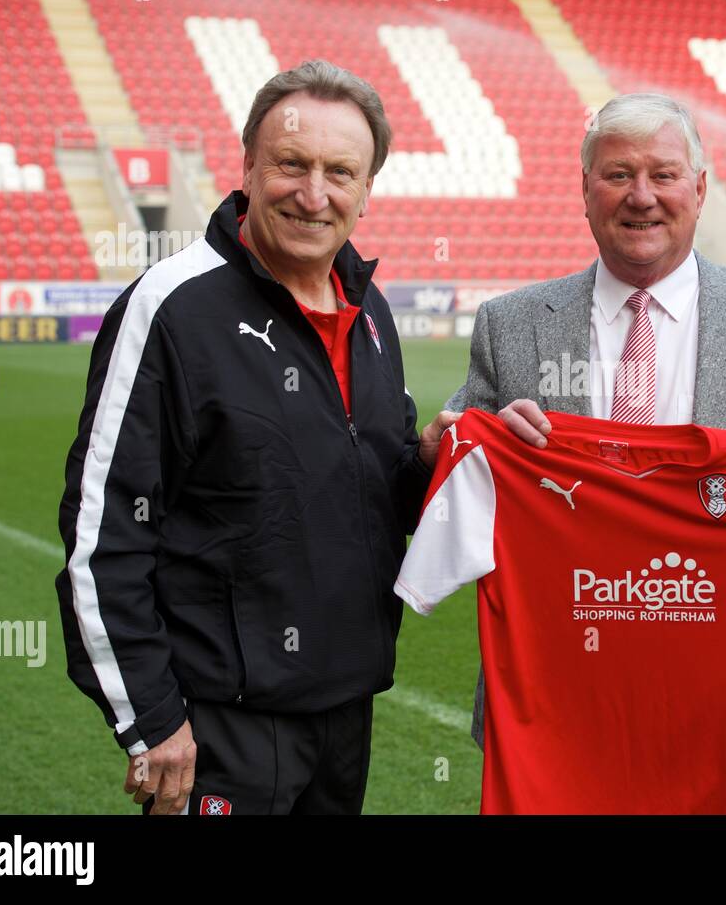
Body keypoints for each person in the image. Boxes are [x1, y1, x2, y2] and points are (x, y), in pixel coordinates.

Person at [54, 60, 456, 815]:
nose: (314, 194)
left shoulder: (369, 312)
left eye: (341, 171)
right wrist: (151, 718)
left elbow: (374, 486)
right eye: (291, 164)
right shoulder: (171, 309)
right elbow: (98, 536)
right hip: (220, 727)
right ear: (245, 166)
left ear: (367, 189)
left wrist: (424, 463)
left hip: (345, 714)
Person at [448, 92, 726, 752]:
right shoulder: (512, 324)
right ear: (585, 191)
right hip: (558, 688)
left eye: (663, 175)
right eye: (618, 175)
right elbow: (451, 458)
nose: (641, 196)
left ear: (698, 189)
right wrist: (463, 445)